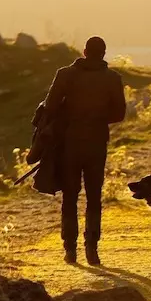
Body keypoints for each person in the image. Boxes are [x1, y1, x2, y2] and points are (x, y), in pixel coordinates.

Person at [43, 36, 126, 265]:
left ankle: (70, 249)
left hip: (69, 143)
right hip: (97, 143)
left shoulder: (65, 74)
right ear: (104, 53)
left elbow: (49, 106)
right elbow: (119, 113)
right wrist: (98, 119)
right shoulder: (112, 78)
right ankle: (92, 248)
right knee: (94, 197)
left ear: (84, 51)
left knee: (69, 196)